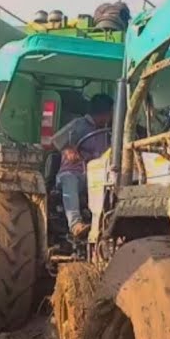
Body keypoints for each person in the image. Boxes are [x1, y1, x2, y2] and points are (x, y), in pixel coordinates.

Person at [50, 93, 114, 239]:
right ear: (104, 113)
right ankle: (75, 224)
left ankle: (106, 224)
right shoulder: (78, 124)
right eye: (110, 113)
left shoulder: (106, 132)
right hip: (75, 172)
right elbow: (55, 141)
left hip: (96, 175)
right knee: (70, 180)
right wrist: (68, 150)